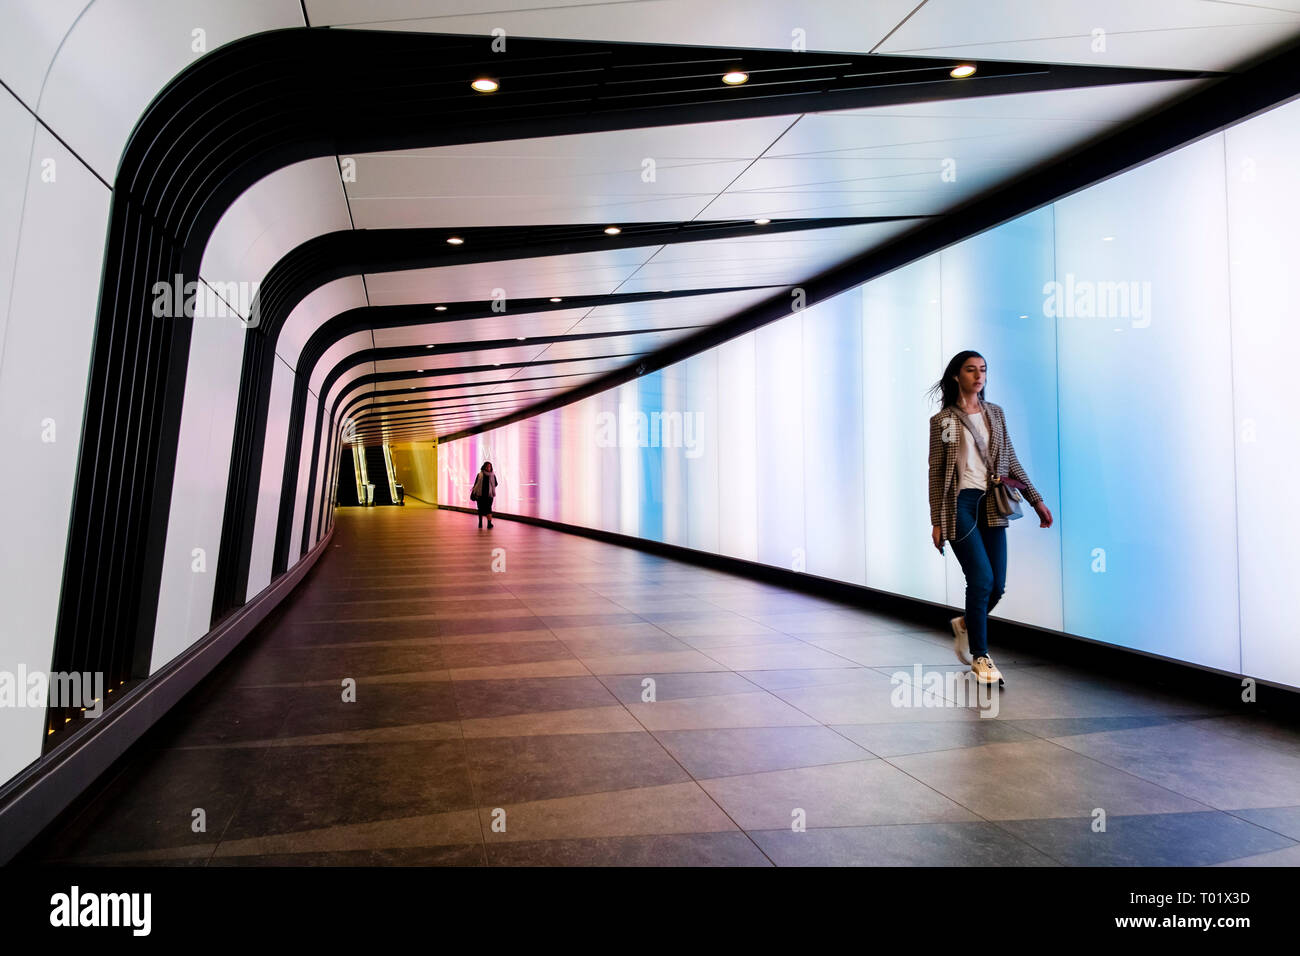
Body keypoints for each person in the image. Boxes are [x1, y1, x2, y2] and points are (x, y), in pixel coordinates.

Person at [927, 351, 1053, 684]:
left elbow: (1011, 461)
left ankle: (967, 624)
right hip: (960, 506)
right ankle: (980, 657)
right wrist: (936, 521)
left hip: (993, 504)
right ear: (957, 376)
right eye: (971, 370)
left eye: (983, 370)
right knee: (980, 580)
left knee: (997, 586)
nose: (978, 376)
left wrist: (1035, 499)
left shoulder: (996, 414)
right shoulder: (943, 422)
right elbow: (937, 473)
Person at [471, 461, 497, 529]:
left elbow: (495, 484)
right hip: (480, 495)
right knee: (480, 509)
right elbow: (476, 484)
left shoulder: (492, 475)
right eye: (487, 466)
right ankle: (480, 523)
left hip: (489, 495)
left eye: (490, 466)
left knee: (488, 509)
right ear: (484, 467)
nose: (489, 468)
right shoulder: (480, 474)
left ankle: (489, 524)